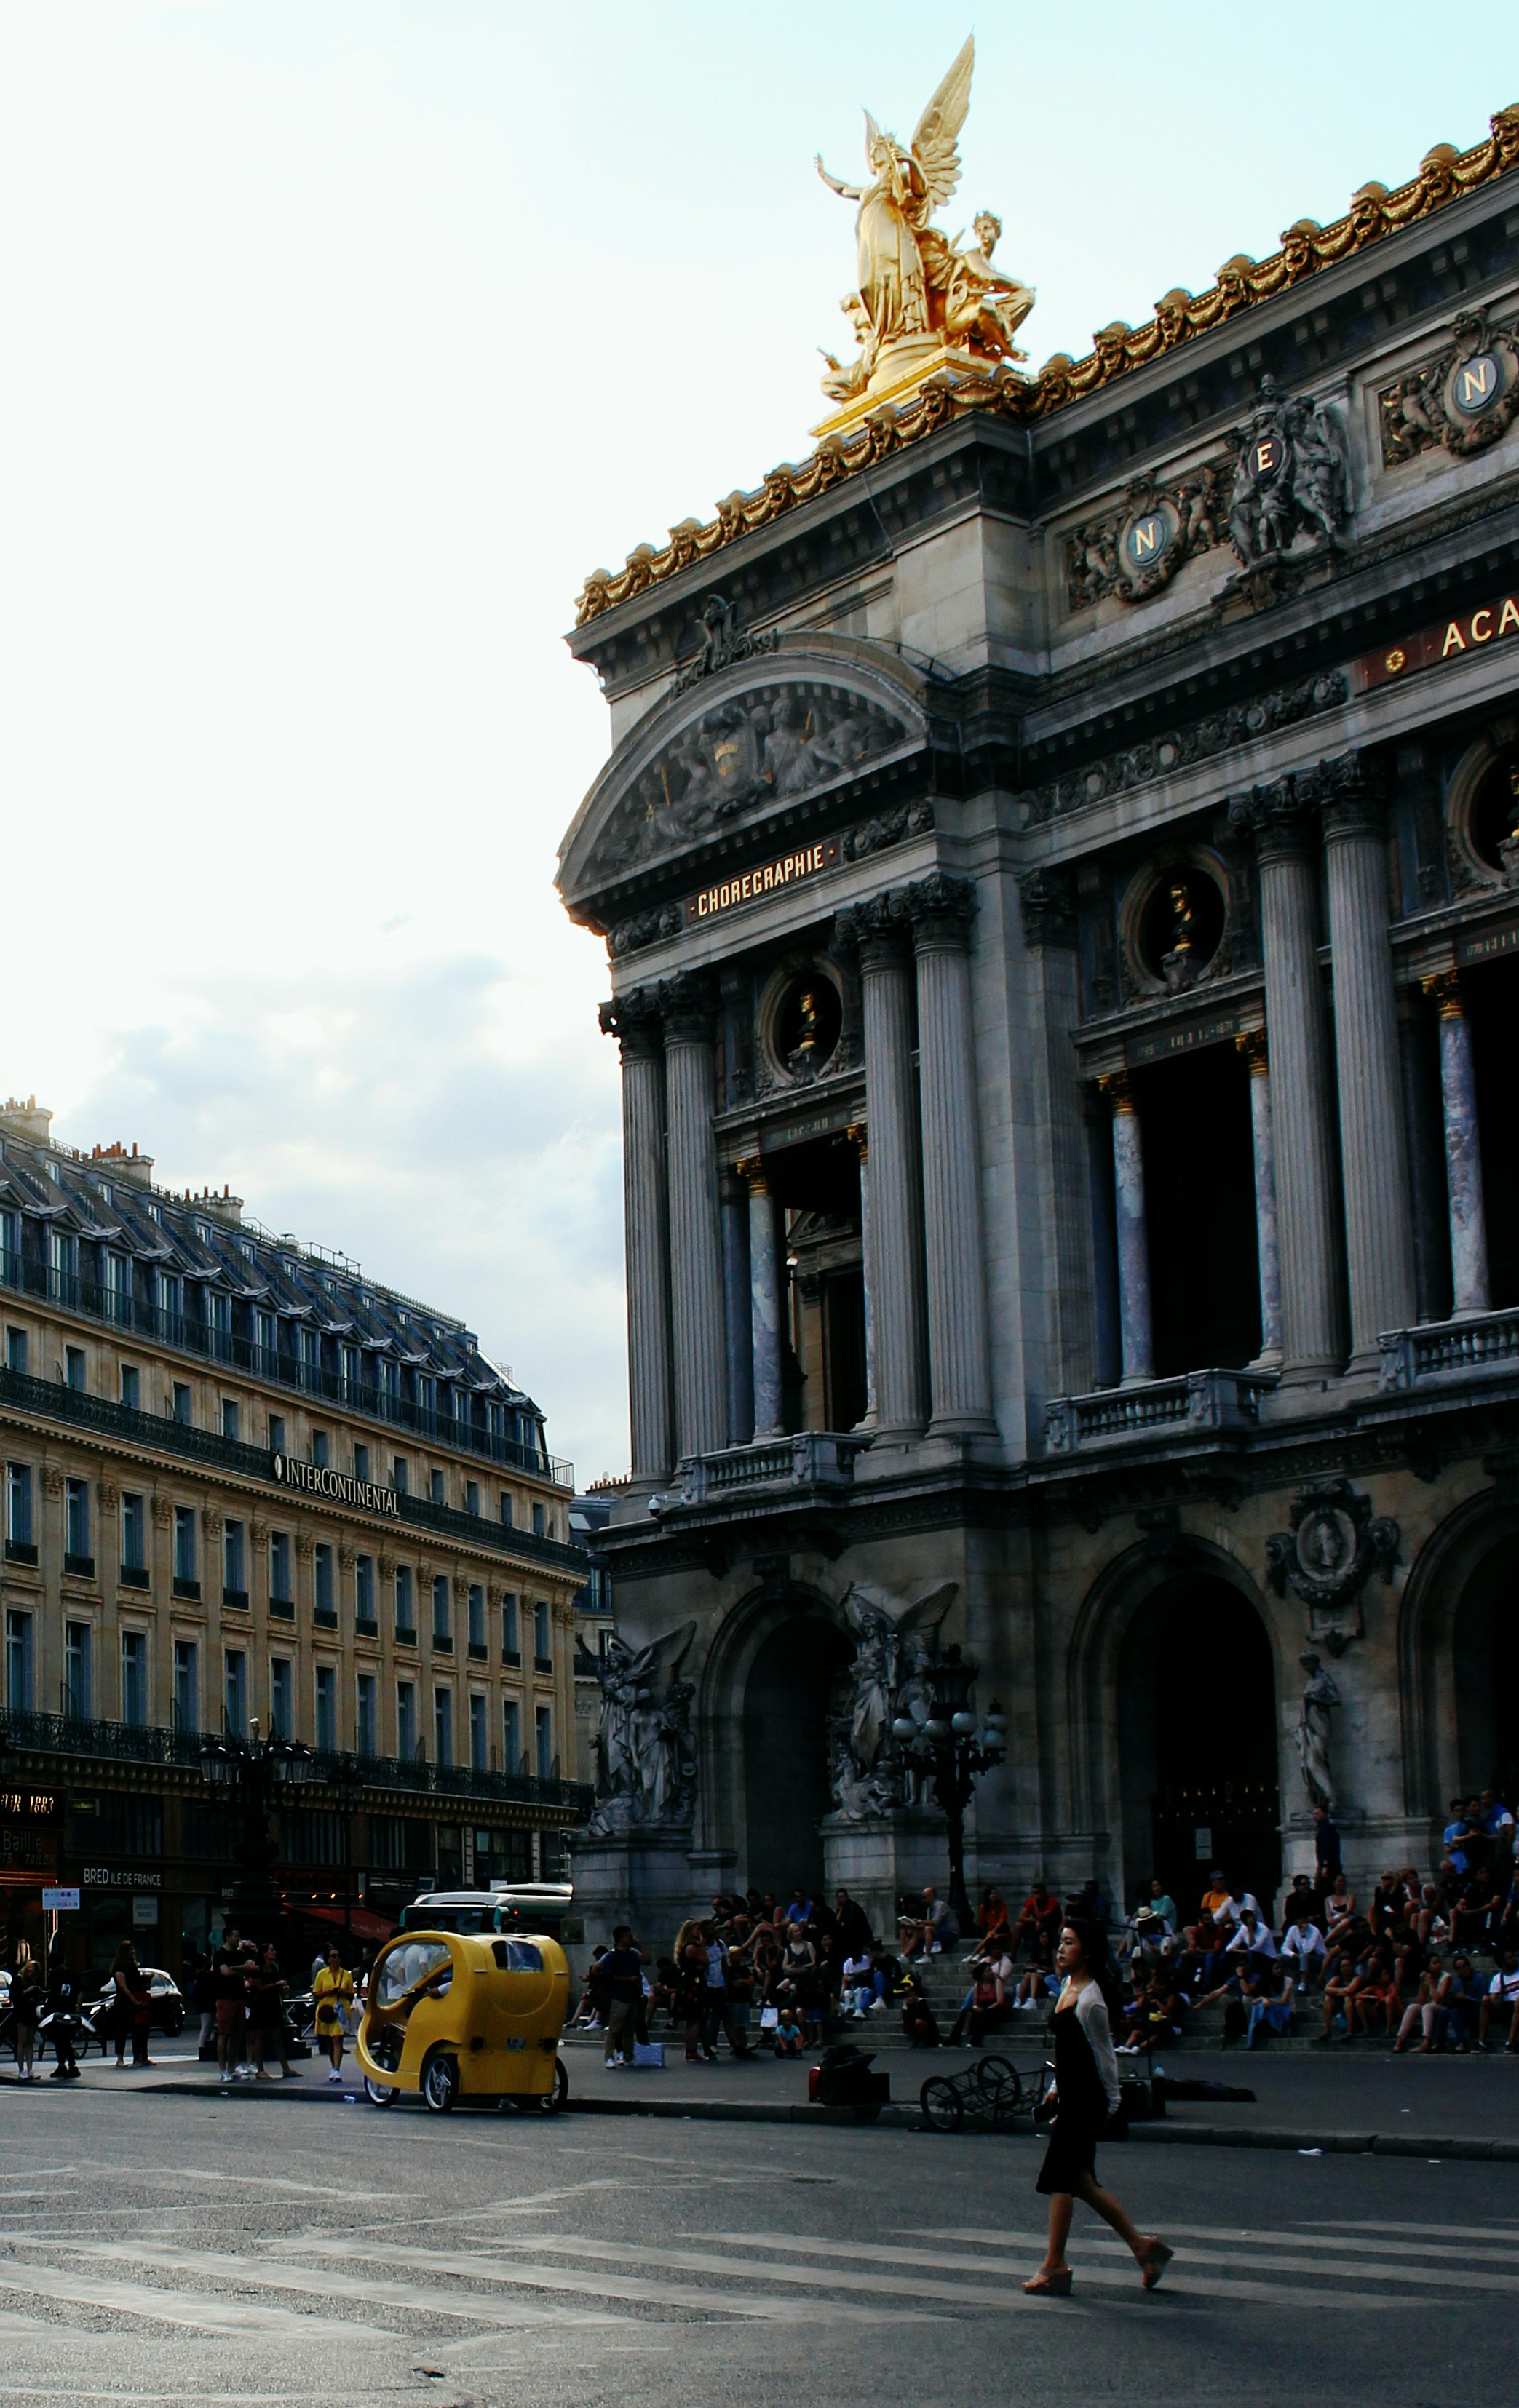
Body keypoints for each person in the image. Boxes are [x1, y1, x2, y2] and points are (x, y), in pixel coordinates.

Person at [1023, 1922, 1170, 2298]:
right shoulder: (1066, 1990)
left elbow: (1105, 2056)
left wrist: (1114, 2101)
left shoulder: (1091, 2000)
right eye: (1060, 1942)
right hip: (1072, 2094)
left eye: (1069, 1943)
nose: (1060, 1949)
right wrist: (1056, 2087)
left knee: (1061, 2177)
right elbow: (1066, 2052)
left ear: (1086, 1952)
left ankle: (1055, 2265)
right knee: (1080, 2183)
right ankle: (1142, 2248)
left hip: (1088, 2099)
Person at [598, 1926, 649, 2069]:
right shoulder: (612, 1956)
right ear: (621, 1939)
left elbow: (647, 1960)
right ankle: (609, 2056)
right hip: (619, 1996)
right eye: (628, 1936)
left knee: (630, 2029)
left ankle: (628, 2056)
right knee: (614, 2029)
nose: (631, 1938)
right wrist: (629, 1979)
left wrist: (640, 1947)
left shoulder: (634, 1954)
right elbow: (609, 1976)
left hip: (633, 1995)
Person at [247, 1944, 296, 2080]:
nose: (274, 1952)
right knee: (260, 2036)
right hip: (262, 2005)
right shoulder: (258, 1969)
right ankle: (260, 2069)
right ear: (264, 1953)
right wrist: (276, 1985)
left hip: (274, 2004)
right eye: (271, 1950)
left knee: (277, 2036)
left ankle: (286, 2068)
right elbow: (258, 1987)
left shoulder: (273, 1967)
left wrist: (282, 1989)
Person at [213, 1929, 253, 2083]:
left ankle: (231, 2068)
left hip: (239, 1997)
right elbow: (225, 1972)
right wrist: (241, 1970)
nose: (238, 1939)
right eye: (236, 1936)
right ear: (228, 1937)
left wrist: (234, 1969)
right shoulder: (220, 1954)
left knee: (236, 2034)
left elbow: (249, 1966)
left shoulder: (240, 1953)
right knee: (224, 2034)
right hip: (225, 1998)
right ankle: (223, 2070)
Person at [312, 1944, 355, 2083]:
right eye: (333, 1956)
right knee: (329, 2040)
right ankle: (333, 2066)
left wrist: (344, 1992)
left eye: (338, 1956)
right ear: (328, 1959)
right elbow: (316, 1994)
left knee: (337, 2039)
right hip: (327, 2010)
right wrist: (328, 1992)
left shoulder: (347, 1975)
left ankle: (337, 2069)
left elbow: (352, 1994)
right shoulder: (322, 1974)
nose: (336, 1959)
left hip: (341, 2009)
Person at [108, 1939, 154, 2068]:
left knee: (138, 2029)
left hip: (135, 1998)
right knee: (122, 2028)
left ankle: (139, 2056)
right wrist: (134, 2001)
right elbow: (123, 1986)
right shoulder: (119, 1967)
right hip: (124, 2001)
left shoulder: (132, 1966)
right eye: (130, 1950)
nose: (133, 1952)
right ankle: (120, 2057)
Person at [1394, 1954, 1450, 2054]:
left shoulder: (1446, 1977)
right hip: (1430, 2007)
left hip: (1442, 2008)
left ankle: (1426, 2041)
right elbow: (1420, 2001)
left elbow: (1438, 2000)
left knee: (1427, 2007)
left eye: (1439, 1963)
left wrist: (1430, 1982)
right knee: (1412, 2007)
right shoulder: (1427, 1977)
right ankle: (1400, 2040)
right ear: (1428, 1967)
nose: (1438, 1965)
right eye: (1434, 1963)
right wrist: (1422, 1984)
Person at [44, 1935, 81, 2081]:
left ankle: (71, 2064)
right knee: (57, 2039)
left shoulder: (71, 1976)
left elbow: (78, 1991)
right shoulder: (53, 1975)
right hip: (54, 2010)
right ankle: (62, 2064)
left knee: (63, 2039)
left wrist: (77, 2008)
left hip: (66, 2010)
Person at [10, 1944, 42, 2081]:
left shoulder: (31, 1980)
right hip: (22, 2013)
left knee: (30, 2042)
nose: (32, 1975)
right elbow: (15, 1996)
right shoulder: (18, 1980)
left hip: (30, 2013)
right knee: (22, 2041)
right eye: (30, 1972)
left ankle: (30, 2069)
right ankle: (21, 2069)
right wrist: (28, 1991)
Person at [1478, 1949, 1519, 2051]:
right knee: (1485, 2000)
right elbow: (1493, 1998)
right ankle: (1481, 2043)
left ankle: (1510, 2043)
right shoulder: (1498, 1978)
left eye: (1513, 1956)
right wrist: (1495, 2000)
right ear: (1503, 1963)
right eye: (1510, 1958)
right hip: (1507, 2008)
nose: (1514, 1959)